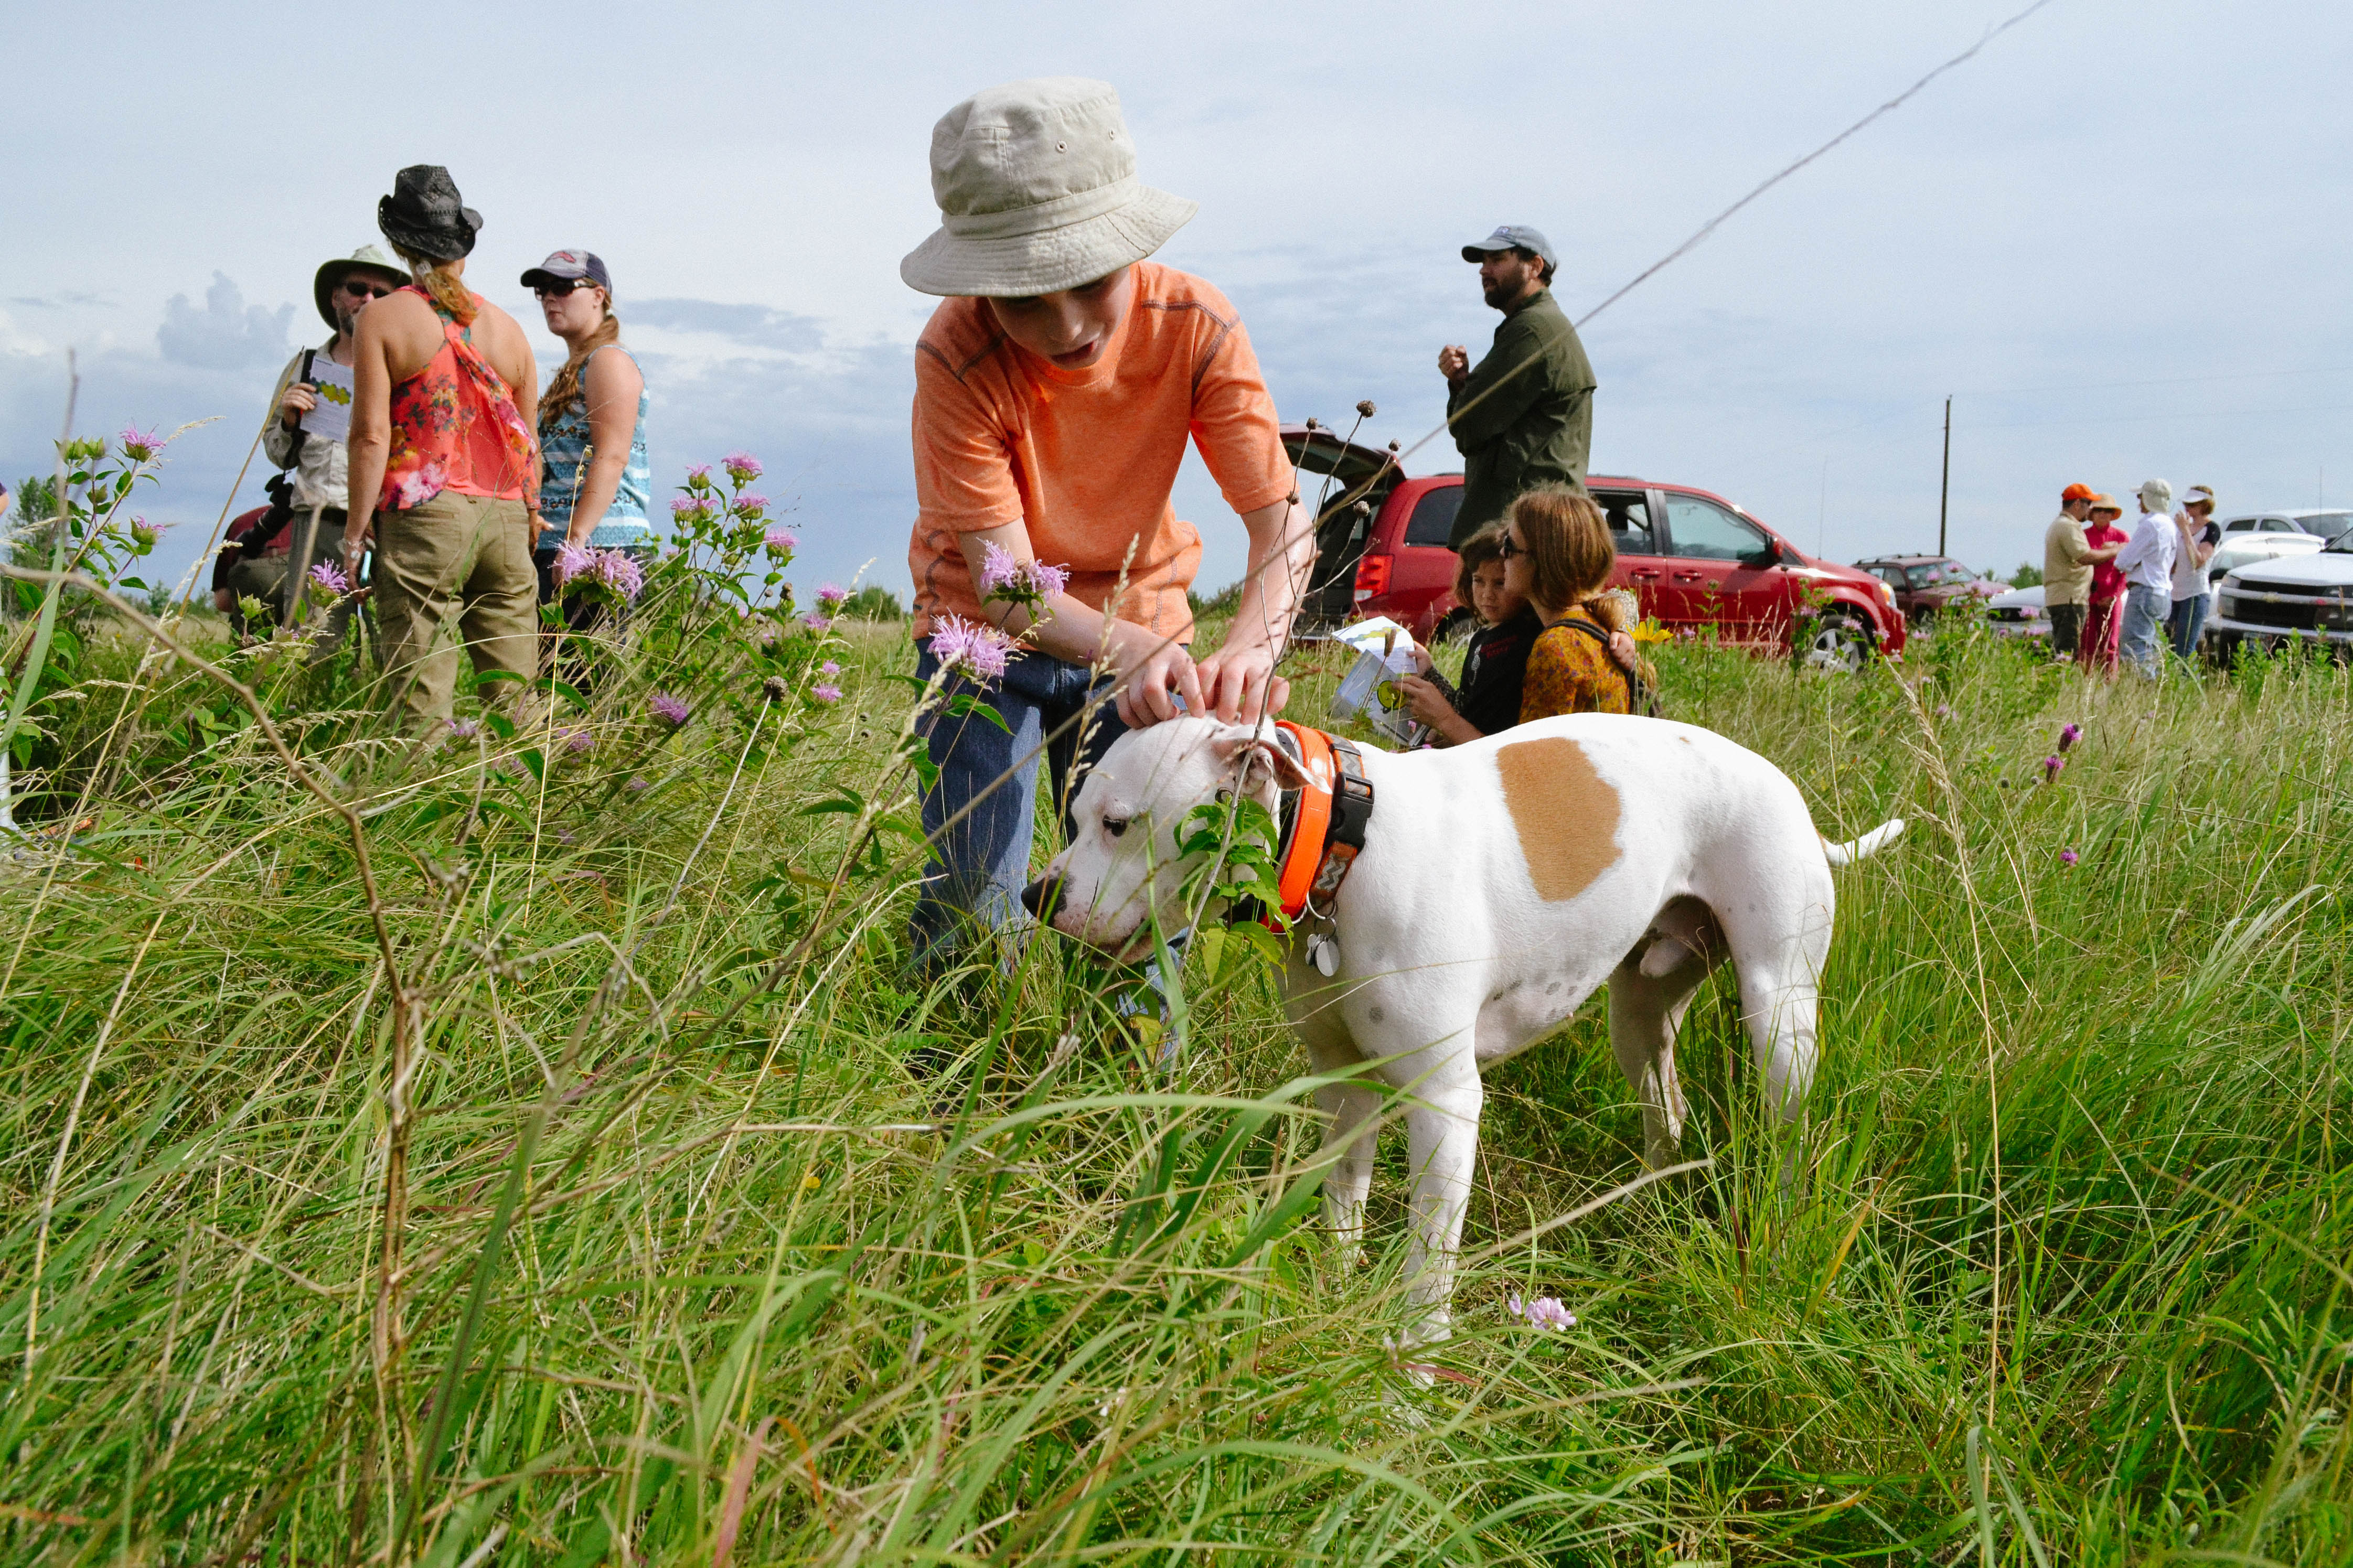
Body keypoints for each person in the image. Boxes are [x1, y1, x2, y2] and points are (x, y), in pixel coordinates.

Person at [901, 77, 1314, 957]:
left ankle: (1126, 1091)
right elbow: (1010, 589)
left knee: (1133, 901)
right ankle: (955, 1084)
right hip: (987, 644)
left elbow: (1283, 527)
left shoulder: (1195, 325)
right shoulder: (956, 354)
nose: (1066, 326)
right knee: (978, 907)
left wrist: (1246, 647)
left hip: (1143, 637)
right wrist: (1144, 651)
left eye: (1089, 280)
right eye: (1022, 297)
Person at [343, 166, 542, 734]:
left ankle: (418, 813)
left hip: (425, 519)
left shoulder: (382, 318)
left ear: (398, 244)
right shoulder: (509, 330)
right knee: (514, 704)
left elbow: (370, 436)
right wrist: (529, 511)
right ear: (462, 246)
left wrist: (357, 531)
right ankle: (526, 816)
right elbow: (526, 444)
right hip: (505, 518)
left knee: (418, 700)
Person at [225, 244, 408, 649]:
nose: (369, 300)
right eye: (359, 288)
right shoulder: (305, 366)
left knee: (395, 638)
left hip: (388, 521)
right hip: (320, 516)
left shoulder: (407, 369)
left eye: (381, 294)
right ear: (336, 297)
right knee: (314, 640)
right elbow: (276, 452)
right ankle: (309, 710)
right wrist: (290, 421)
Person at [1438, 227, 1597, 549]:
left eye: (1498, 259)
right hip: (1533, 526)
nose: (1485, 270)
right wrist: (1460, 384)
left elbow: (1468, 426)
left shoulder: (1533, 329)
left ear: (1535, 267)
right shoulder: (1536, 324)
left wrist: (1462, 394)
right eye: (1483, 262)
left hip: (1524, 530)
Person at [524, 249, 651, 642]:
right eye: (543, 290)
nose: (549, 298)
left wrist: (575, 542)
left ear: (599, 295)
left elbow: (611, 456)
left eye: (562, 287)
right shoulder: (576, 367)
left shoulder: (608, 361)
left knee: (591, 686)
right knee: (555, 686)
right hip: (563, 542)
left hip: (600, 548)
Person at [1503, 488, 1644, 722]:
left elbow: (1534, 755)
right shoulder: (1596, 623)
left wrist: (1445, 718)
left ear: (1544, 560)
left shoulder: (1558, 646)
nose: (1501, 553)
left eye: (1509, 545)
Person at [1395, 528, 1540, 746]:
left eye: (1500, 583)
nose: (1487, 593)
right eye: (1478, 580)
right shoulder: (1482, 637)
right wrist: (1429, 672)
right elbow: (1466, 704)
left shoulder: (1528, 639)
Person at [2043, 481, 2118, 661]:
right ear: (2077, 504)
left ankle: (2061, 682)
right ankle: (2062, 684)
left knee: (2067, 648)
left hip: (2066, 597)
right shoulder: (2068, 527)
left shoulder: (2062, 525)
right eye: (2089, 504)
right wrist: (2116, 550)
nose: (2091, 509)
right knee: (2067, 652)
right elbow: (2085, 557)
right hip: (2069, 599)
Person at [2113, 479, 2177, 676]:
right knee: (2153, 646)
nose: (2139, 501)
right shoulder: (2169, 524)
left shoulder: (2150, 525)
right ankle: (2155, 689)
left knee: (2135, 647)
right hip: (2162, 592)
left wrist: (2131, 560)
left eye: (2141, 497)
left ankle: (2143, 688)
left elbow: (2123, 562)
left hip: (2145, 590)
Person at [2168, 484, 2221, 661]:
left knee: (2185, 649)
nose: (2188, 508)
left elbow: (2197, 561)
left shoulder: (2211, 529)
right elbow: (2174, 563)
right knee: (2170, 645)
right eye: (2186, 504)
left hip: (2195, 595)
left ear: (2204, 505)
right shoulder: (2182, 529)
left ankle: (2190, 683)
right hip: (2175, 594)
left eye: (2193, 505)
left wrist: (2185, 530)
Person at [2081, 495, 2129, 674]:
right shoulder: (2083, 536)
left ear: (2112, 514)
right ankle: (2087, 681)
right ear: (2091, 514)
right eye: (2098, 510)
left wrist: (2115, 595)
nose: (2102, 514)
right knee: (2087, 641)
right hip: (2088, 596)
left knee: (2111, 643)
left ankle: (2110, 681)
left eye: (2107, 511)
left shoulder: (2121, 537)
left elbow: (2126, 572)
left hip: (2111, 597)